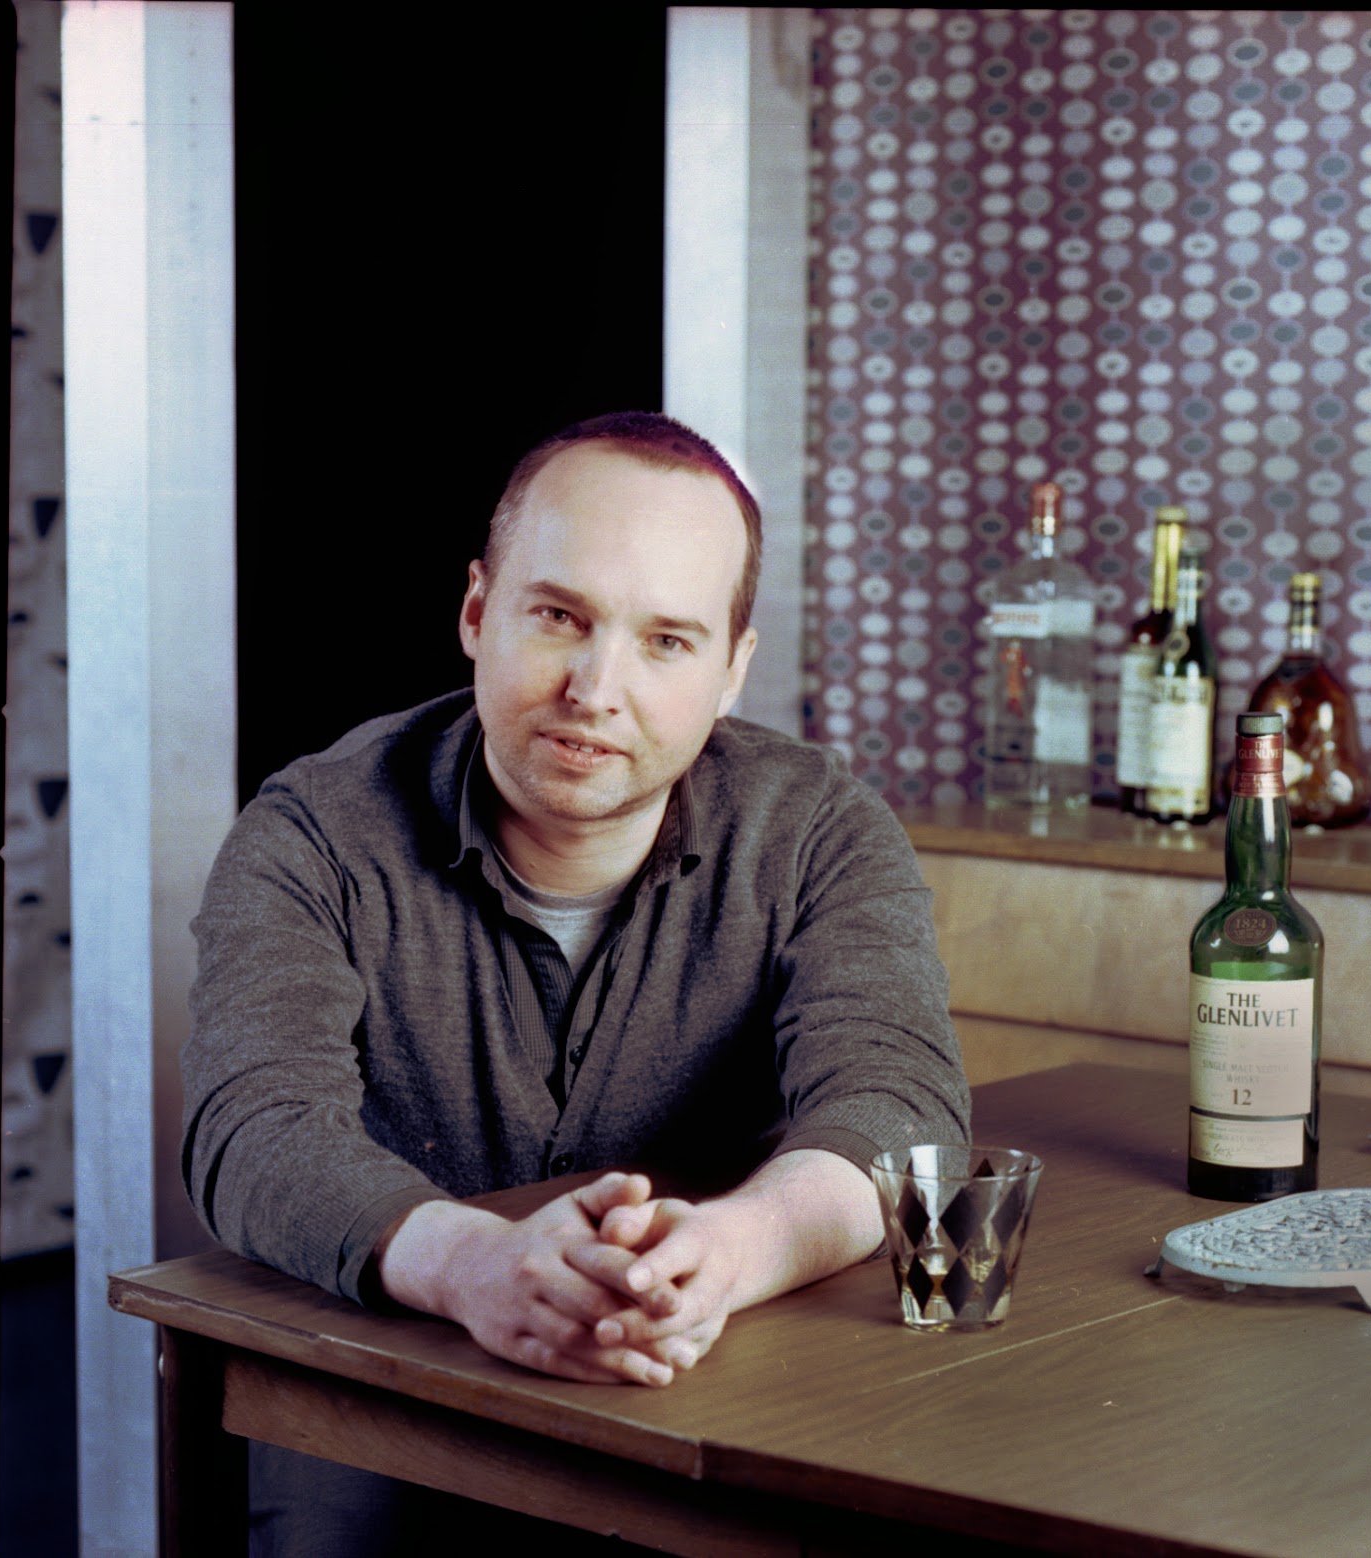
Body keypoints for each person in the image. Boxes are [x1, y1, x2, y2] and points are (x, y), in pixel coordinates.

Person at [181, 411, 971, 1550]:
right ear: (475, 612)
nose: (595, 687)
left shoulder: (820, 829)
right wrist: (475, 1264)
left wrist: (730, 1251)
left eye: (666, 641)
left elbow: (896, 1102)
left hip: (703, 1352)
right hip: (396, 1369)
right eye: (560, 616)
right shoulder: (312, 828)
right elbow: (251, 1125)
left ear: (731, 671)